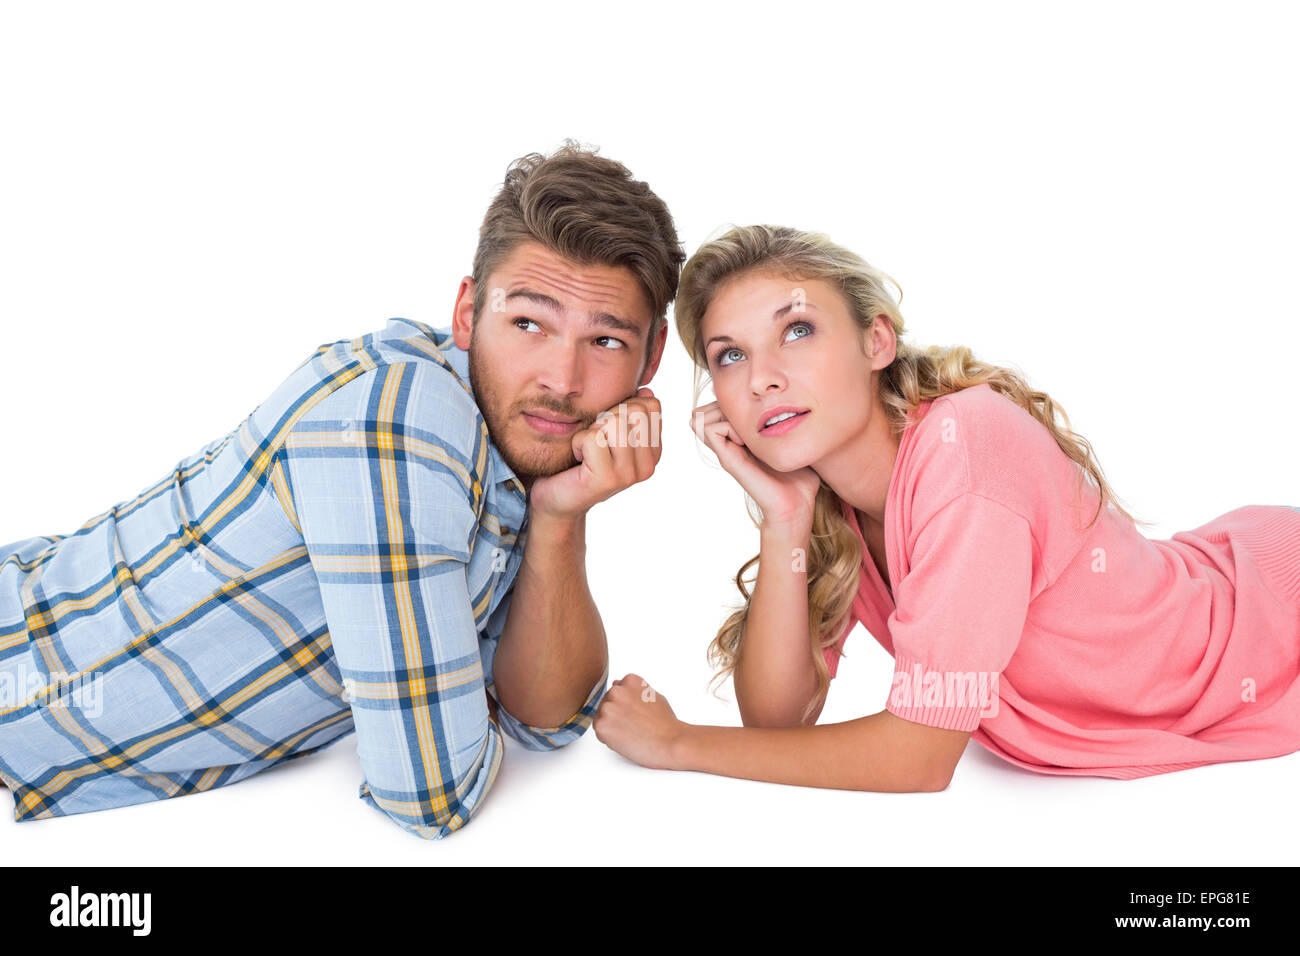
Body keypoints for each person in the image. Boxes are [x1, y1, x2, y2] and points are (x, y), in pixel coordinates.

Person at [0, 139, 684, 838]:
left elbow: (547, 717)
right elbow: (431, 795)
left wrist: (560, 512)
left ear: (652, 356)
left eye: (604, 342)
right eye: (528, 323)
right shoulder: (395, 425)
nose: (562, 381)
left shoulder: (503, 442)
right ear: (466, 314)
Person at [592, 223, 1300, 790]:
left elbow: (919, 757)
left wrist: (679, 744)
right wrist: (785, 518)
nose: (764, 379)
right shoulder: (833, 496)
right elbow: (777, 720)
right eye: (729, 356)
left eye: (797, 330)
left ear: (877, 341)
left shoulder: (964, 455)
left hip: (1266, 621)